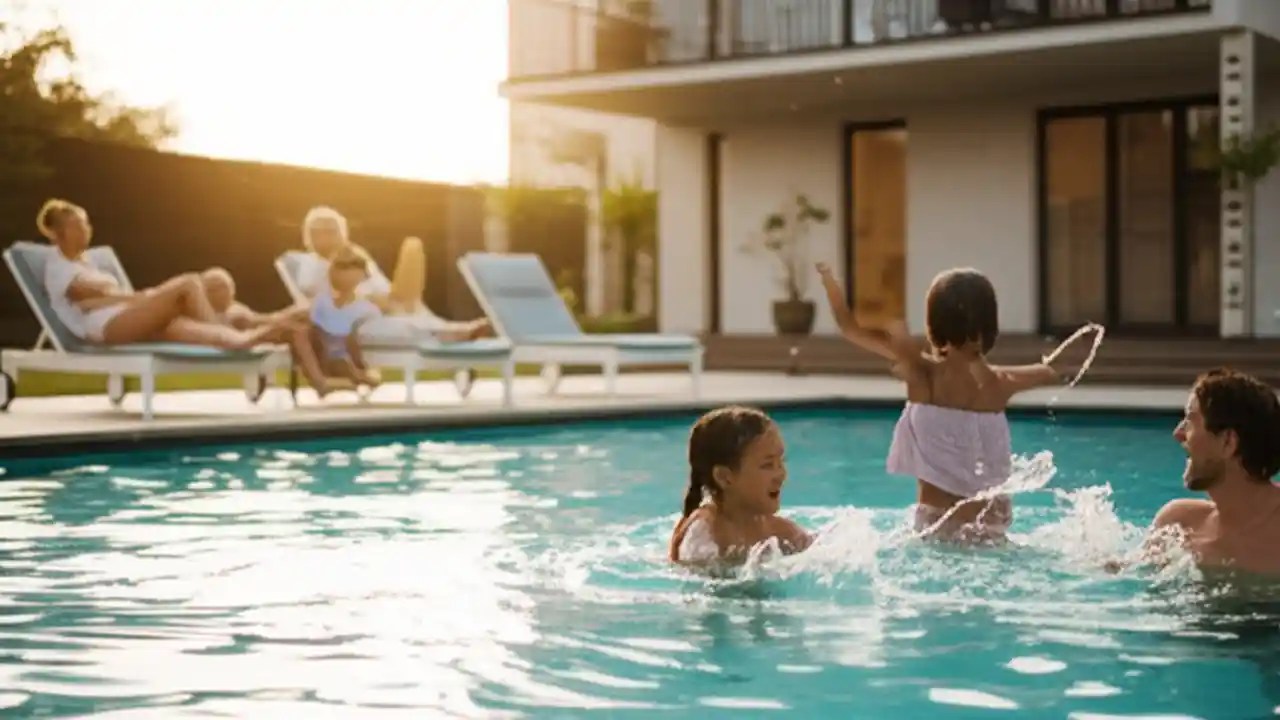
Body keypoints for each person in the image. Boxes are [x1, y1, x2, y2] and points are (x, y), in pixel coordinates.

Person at [816, 262, 1086, 543]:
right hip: (992, 520)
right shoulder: (1003, 382)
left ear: (934, 324)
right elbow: (1061, 368)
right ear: (990, 325)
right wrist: (1086, 333)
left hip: (939, 521)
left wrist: (829, 282)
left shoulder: (922, 374)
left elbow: (849, 328)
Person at [36, 199, 277, 349]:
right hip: (105, 326)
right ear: (59, 233)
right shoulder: (58, 267)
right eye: (78, 225)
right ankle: (228, 331)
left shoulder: (88, 263)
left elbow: (102, 296)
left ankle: (243, 337)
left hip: (124, 316)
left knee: (183, 321)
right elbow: (86, 299)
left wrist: (141, 298)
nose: (86, 229)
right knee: (188, 284)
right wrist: (139, 298)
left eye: (86, 223)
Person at [1128, 369, 1280, 576]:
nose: (1178, 434)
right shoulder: (1178, 525)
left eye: (1190, 420)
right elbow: (1126, 574)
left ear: (1228, 442)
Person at [295, 205, 489, 342]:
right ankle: (453, 331)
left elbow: (380, 285)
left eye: (331, 231)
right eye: (317, 232)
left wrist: (388, 300)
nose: (325, 237)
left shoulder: (356, 256)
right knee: (406, 323)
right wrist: (374, 302)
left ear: (342, 234)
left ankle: (438, 322)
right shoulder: (311, 265)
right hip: (363, 317)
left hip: (390, 303)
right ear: (309, 237)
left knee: (413, 248)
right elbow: (327, 304)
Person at [668, 406, 812, 567]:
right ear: (724, 477)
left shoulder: (781, 532)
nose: (781, 475)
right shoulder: (704, 535)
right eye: (767, 465)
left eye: (781, 462)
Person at [295, 246, 383, 396]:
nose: (345, 274)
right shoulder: (322, 302)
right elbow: (313, 327)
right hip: (322, 354)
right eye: (341, 267)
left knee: (344, 359)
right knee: (310, 331)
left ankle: (351, 380)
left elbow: (357, 340)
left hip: (344, 356)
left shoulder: (366, 308)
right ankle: (349, 381)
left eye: (351, 267)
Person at [201, 267, 307, 332]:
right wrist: (292, 314)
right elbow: (263, 322)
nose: (223, 292)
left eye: (226, 286)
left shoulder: (235, 307)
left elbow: (261, 319)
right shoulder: (226, 315)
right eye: (215, 288)